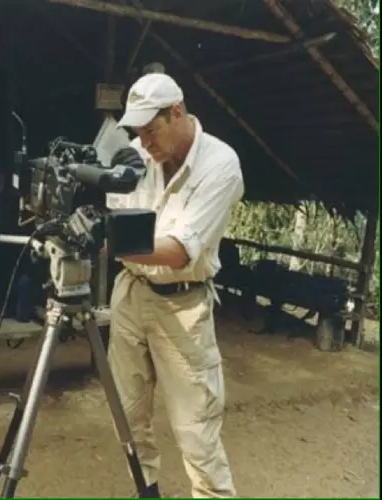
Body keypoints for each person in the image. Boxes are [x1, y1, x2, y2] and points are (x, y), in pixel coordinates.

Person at [105, 72, 244, 499]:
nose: (143, 143)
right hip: (130, 294)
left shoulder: (220, 164)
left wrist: (105, 239)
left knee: (196, 430)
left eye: (151, 130)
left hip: (182, 304)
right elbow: (118, 223)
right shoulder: (134, 155)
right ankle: (146, 493)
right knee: (127, 417)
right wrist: (113, 238)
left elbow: (180, 251)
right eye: (137, 132)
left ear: (177, 112)